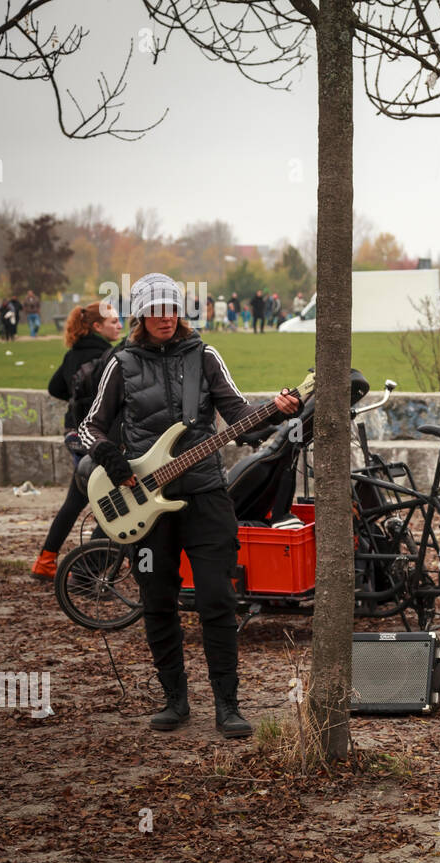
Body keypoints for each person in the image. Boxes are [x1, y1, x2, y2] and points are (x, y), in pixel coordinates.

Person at [79, 273, 300, 738]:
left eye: (172, 308)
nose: (165, 317)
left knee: (217, 599)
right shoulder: (121, 363)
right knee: (158, 601)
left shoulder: (204, 356)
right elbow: (89, 427)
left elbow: (240, 417)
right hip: (142, 503)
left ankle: (227, 705)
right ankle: (174, 701)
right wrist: (109, 457)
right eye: (155, 310)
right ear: (141, 315)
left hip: (204, 495)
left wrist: (275, 411)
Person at [31, 302, 124, 578]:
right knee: (116, 502)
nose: (119, 326)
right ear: (97, 326)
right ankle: (89, 569)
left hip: (74, 434)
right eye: (113, 322)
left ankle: (46, 561)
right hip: (98, 436)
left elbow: (54, 387)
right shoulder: (106, 355)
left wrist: (77, 401)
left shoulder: (74, 354)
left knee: (77, 499)